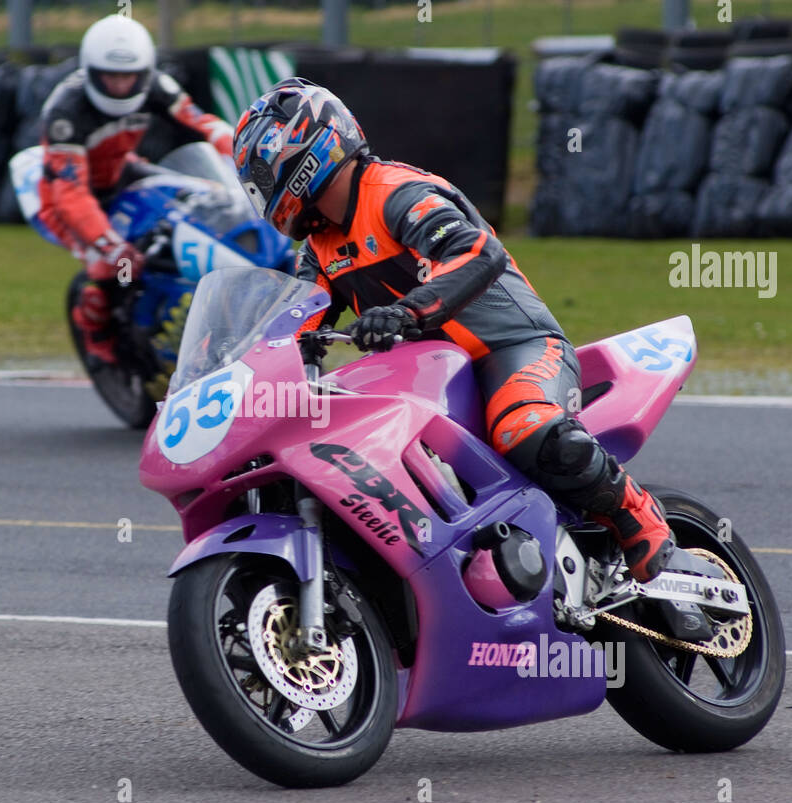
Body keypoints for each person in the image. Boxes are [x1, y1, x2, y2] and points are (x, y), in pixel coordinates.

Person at [232, 78, 674, 582]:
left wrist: (406, 313)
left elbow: (474, 253)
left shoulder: (397, 193)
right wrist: (244, 370)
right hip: (427, 381)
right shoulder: (319, 248)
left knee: (524, 426)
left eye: (263, 176)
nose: (262, 192)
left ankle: (636, 514)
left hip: (514, 346)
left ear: (305, 151)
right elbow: (294, 325)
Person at [38, 14, 235, 365]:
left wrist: (239, 148)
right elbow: (71, 195)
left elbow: (203, 123)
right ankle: (97, 336)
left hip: (122, 169)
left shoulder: (159, 86)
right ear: (91, 72)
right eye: (110, 76)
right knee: (110, 265)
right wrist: (112, 248)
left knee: (204, 199)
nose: (119, 85)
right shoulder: (65, 112)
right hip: (67, 193)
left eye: (128, 76)